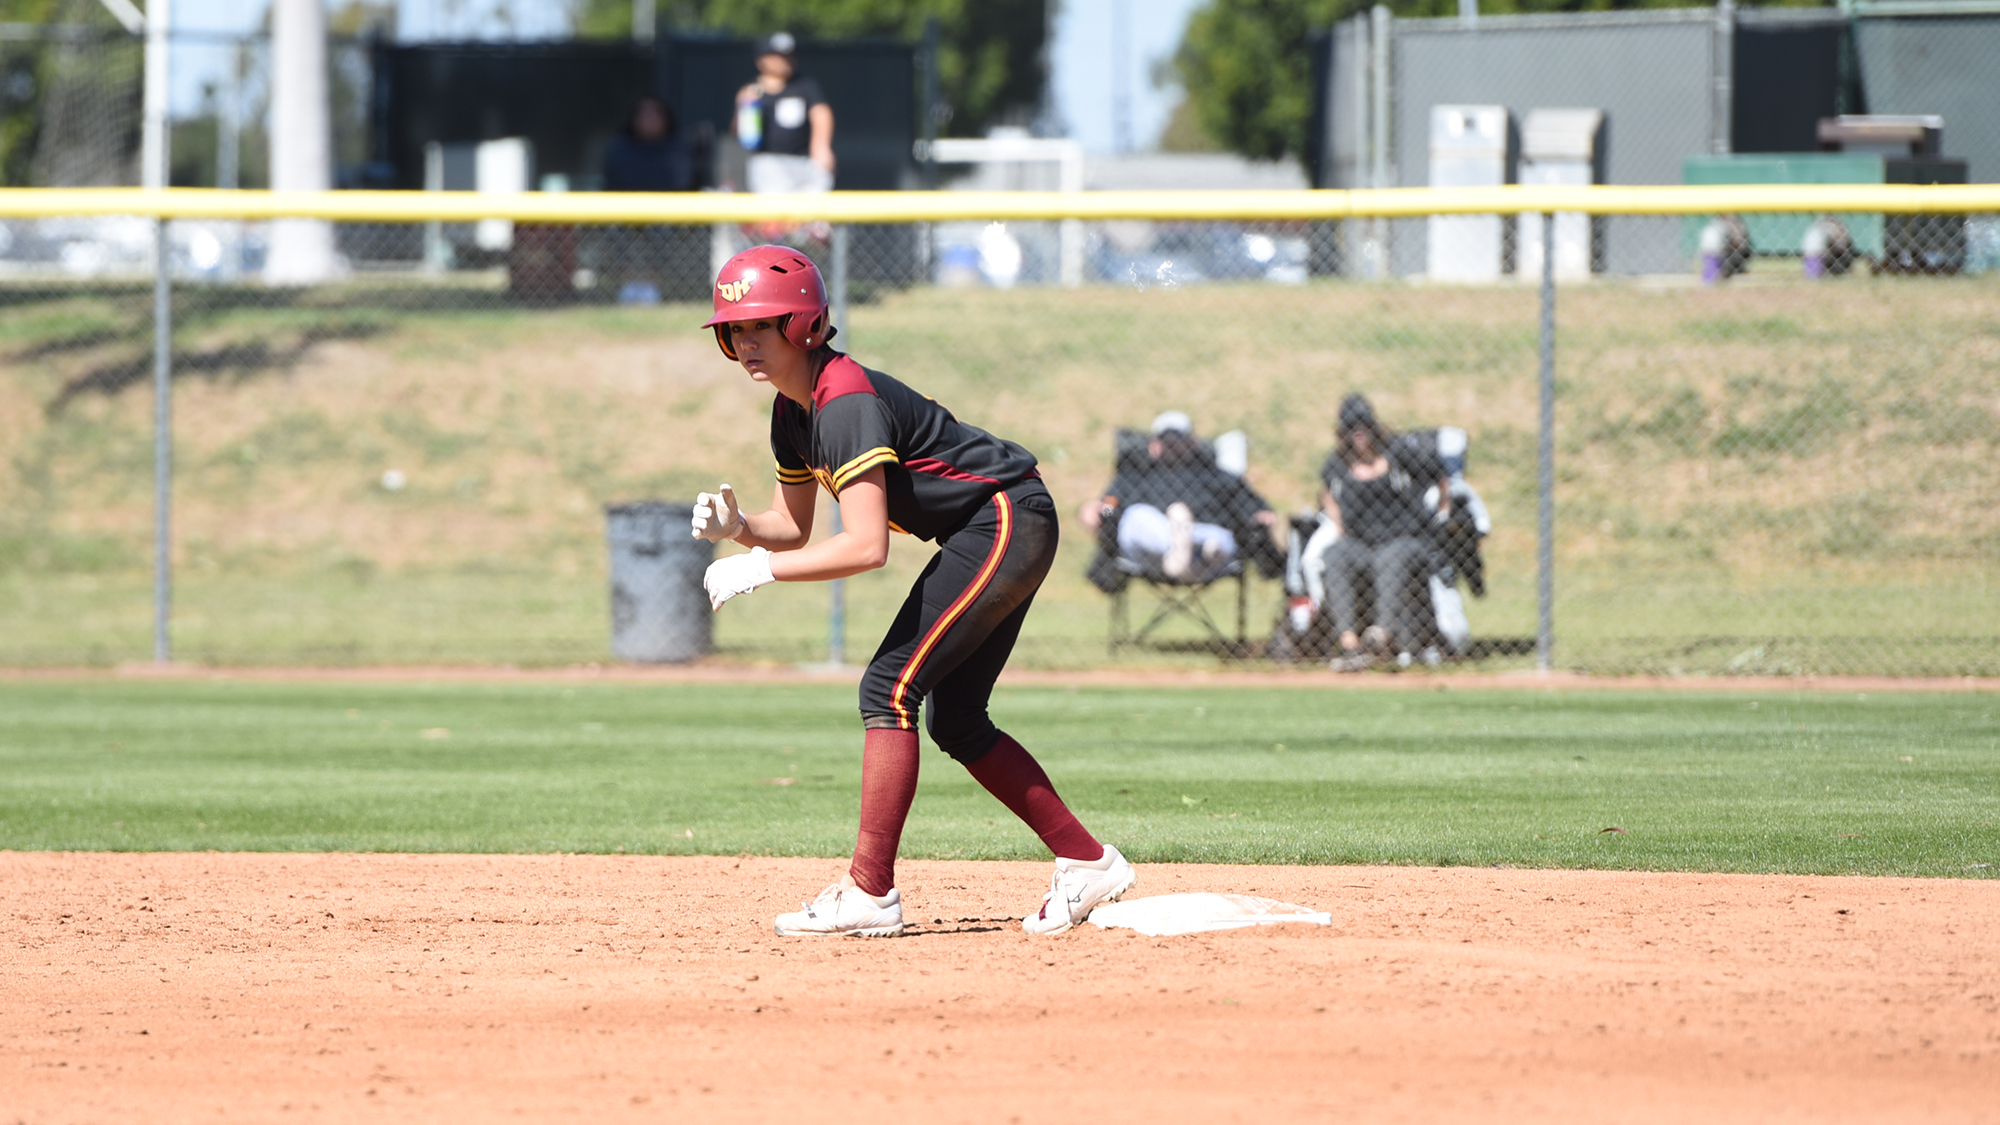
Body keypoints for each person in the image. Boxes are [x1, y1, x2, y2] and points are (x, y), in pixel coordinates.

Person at [690, 245, 1135, 938]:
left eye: (761, 324)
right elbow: (793, 526)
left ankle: (870, 892)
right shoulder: (793, 412)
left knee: (887, 688)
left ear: (803, 323)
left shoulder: (844, 402)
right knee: (954, 719)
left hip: (1003, 517)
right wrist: (742, 528)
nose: (745, 341)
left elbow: (867, 546)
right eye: (734, 329)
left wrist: (763, 569)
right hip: (995, 524)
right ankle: (1086, 860)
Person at [1311, 394, 1451, 671]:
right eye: (1351, 429)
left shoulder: (1398, 452)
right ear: (1343, 432)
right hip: (1362, 543)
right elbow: (1326, 493)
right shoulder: (1338, 464)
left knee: (1391, 557)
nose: (1358, 434)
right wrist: (1338, 525)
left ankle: (1381, 635)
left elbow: (1440, 475)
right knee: (1335, 555)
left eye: (1363, 427)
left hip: (1406, 540)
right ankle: (1350, 646)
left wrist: (1443, 511)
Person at [1078, 411, 1282, 587]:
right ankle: (1183, 548)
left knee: (1221, 540)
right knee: (1137, 516)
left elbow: (1257, 511)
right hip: (1152, 550)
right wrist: (1096, 511)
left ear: (1192, 442)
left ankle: (1190, 550)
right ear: (1153, 445)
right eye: (1166, 440)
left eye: (1178, 440)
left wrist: (1262, 517)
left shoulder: (1217, 475)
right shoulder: (1135, 474)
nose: (1172, 445)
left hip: (1204, 533)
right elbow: (1106, 508)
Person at [735, 32, 835, 196]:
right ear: (761, 60)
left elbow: (821, 113)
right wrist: (743, 108)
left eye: (789, 56)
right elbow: (740, 135)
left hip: (804, 161)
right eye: (778, 56)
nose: (785, 61)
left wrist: (822, 147)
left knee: (816, 193)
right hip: (769, 162)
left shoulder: (804, 85)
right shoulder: (752, 92)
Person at [602, 95, 695, 193]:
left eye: (655, 114)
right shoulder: (619, 150)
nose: (648, 120)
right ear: (634, 119)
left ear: (666, 119)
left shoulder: (680, 149)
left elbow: (680, 183)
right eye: (643, 114)